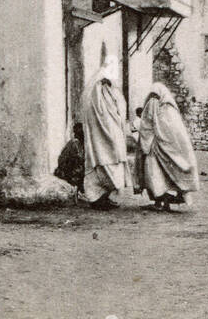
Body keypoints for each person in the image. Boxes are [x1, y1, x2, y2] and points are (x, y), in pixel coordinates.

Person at [136, 83, 201, 211]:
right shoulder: (171, 109)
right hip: (166, 149)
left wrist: (146, 143)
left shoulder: (155, 105)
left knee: (155, 175)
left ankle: (159, 203)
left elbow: (147, 124)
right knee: (163, 175)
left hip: (154, 148)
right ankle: (163, 202)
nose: (153, 98)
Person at [81, 53, 128, 210]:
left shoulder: (111, 87)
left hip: (112, 132)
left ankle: (105, 197)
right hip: (101, 136)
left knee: (114, 164)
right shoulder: (97, 87)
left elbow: (118, 107)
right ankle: (96, 199)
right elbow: (98, 112)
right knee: (101, 166)